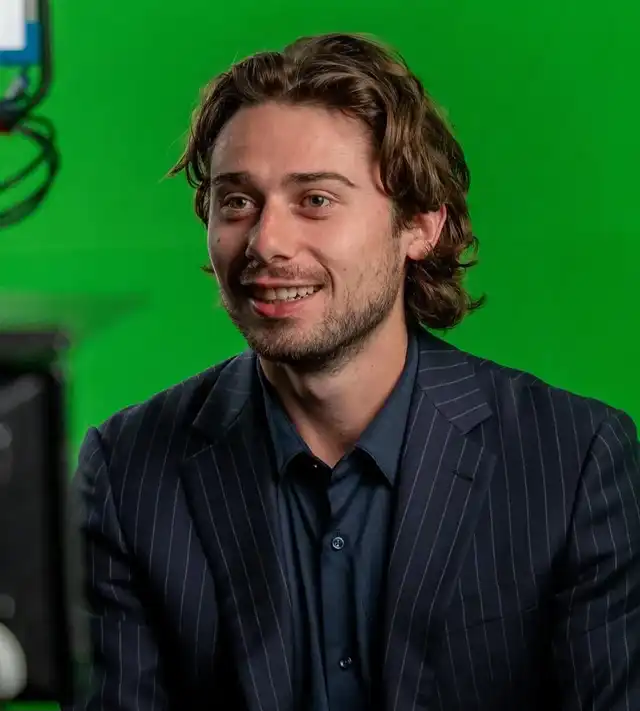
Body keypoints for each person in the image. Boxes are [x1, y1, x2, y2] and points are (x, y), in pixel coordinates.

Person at [68, 32, 640, 711]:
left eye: (315, 199)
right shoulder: (127, 471)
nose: (266, 242)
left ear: (420, 225)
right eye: (237, 201)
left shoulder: (573, 460)